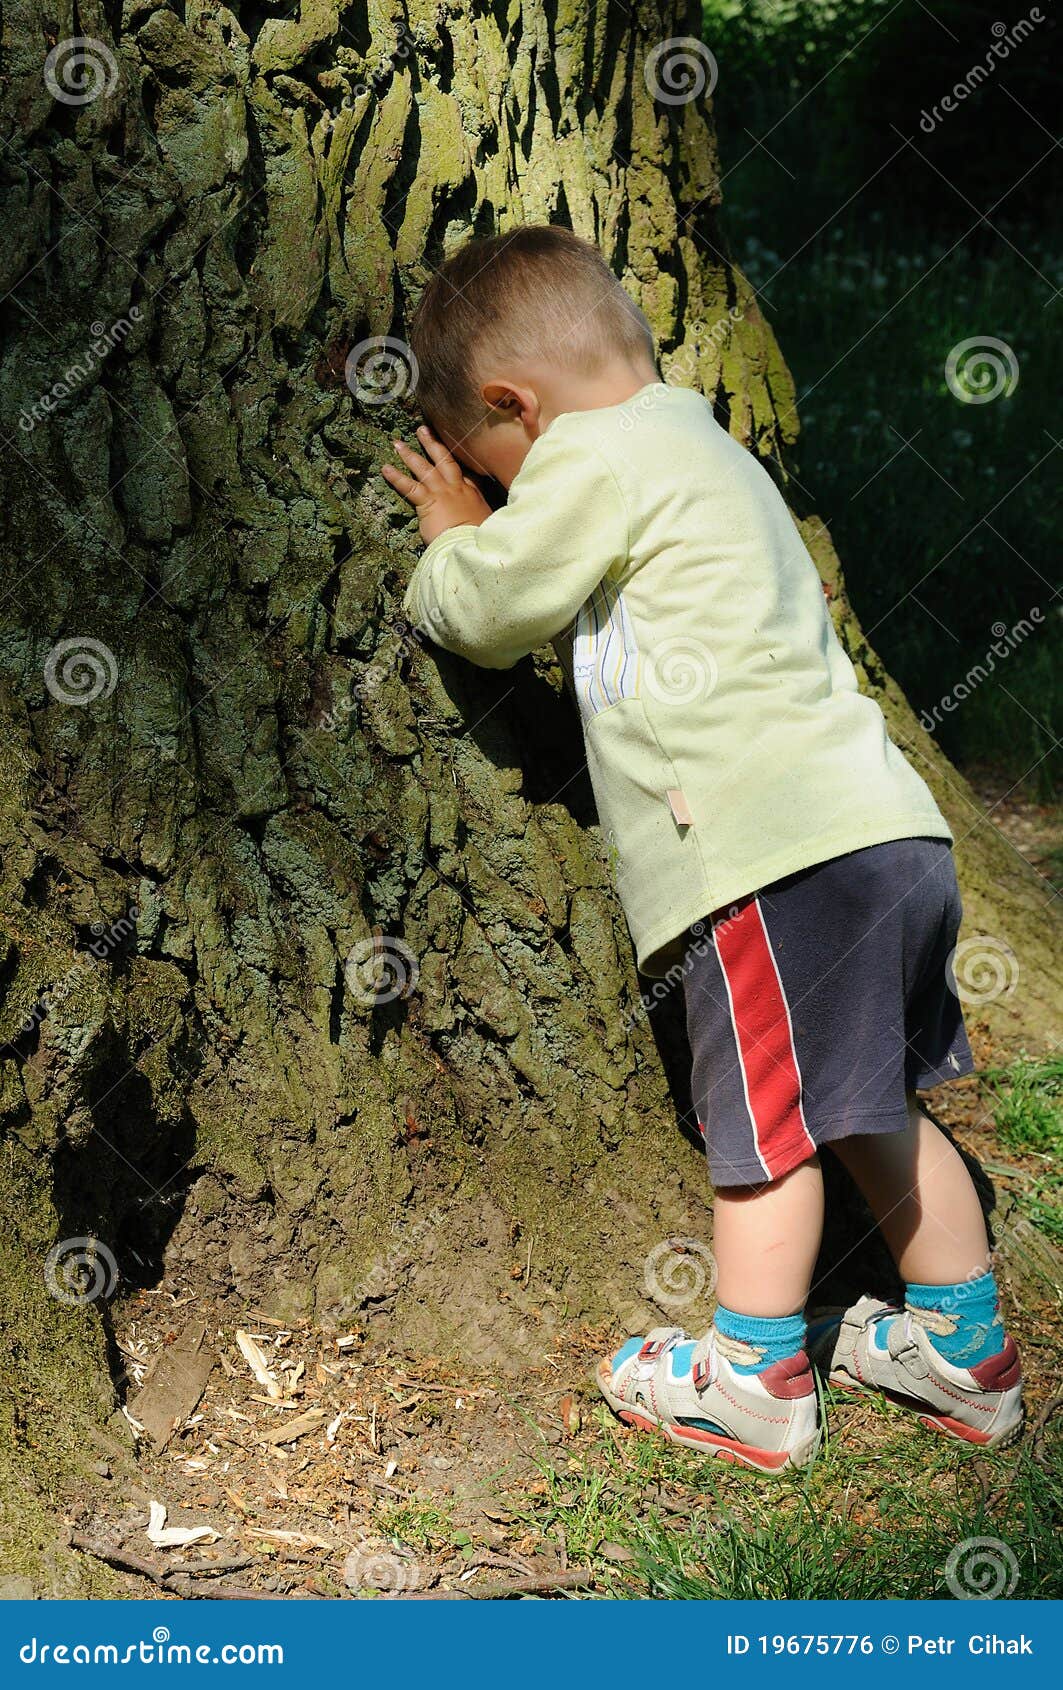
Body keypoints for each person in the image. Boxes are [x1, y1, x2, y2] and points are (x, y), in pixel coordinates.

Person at [382, 225, 1023, 1473]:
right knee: (867, 1105)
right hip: (884, 836)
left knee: (765, 1124)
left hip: (767, 854)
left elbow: (495, 606)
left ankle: (754, 1378)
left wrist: (454, 538)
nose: (508, 482)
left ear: (514, 407)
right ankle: (965, 1350)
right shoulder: (704, 444)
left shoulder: (595, 454)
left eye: (492, 458)